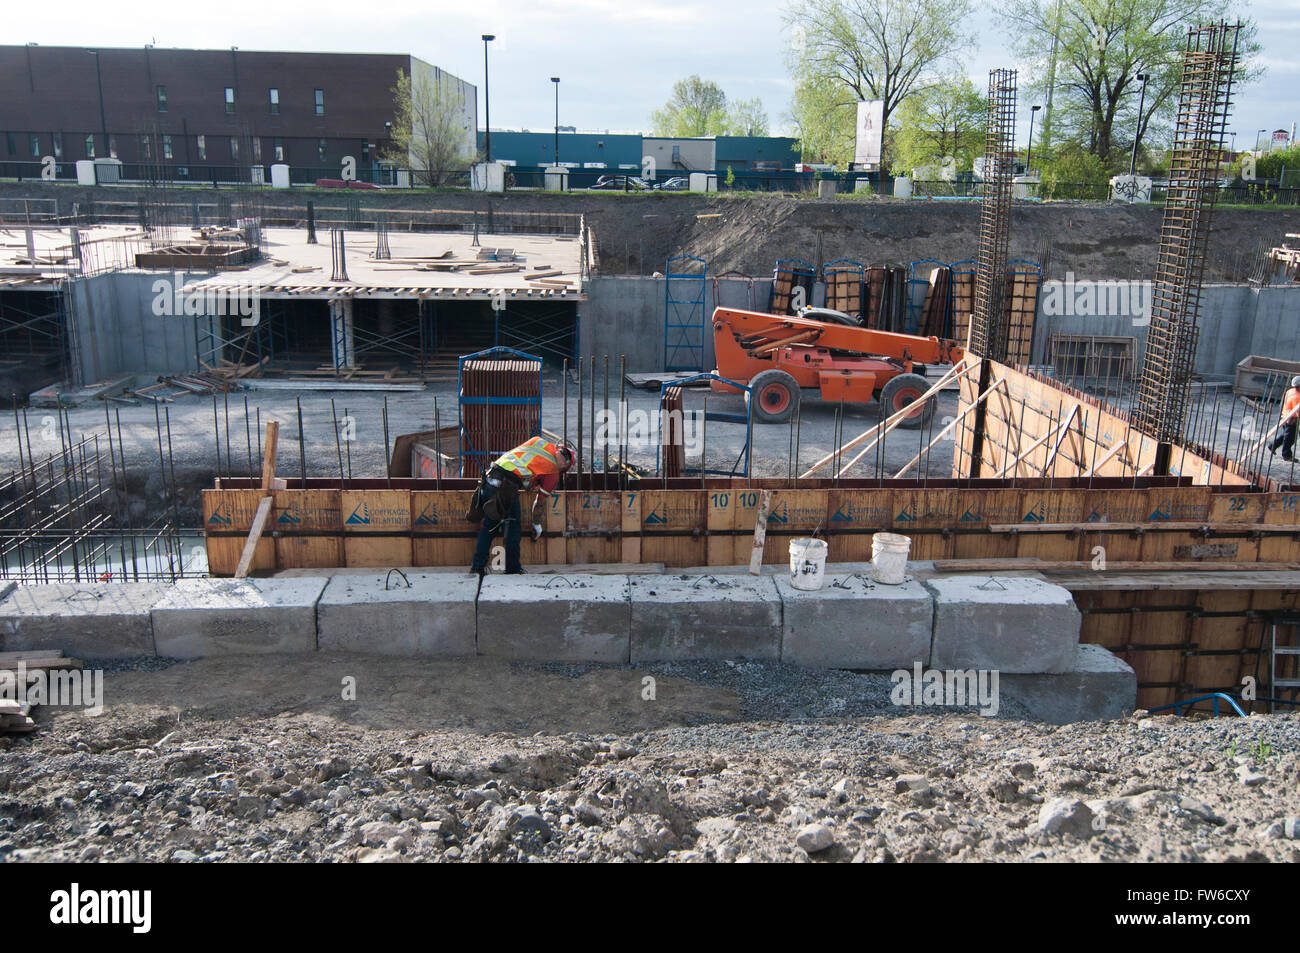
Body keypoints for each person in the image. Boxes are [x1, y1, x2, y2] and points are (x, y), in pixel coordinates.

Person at [469, 437, 574, 574]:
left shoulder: (538, 442)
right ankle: (512, 569)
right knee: (513, 527)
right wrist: (536, 525)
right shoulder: (552, 471)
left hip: (489, 476)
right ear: (564, 465)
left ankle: (477, 567)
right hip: (505, 486)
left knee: (489, 526)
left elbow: (524, 466)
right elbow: (540, 503)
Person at [1268, 375, 1300, 463]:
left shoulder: (1290, 391)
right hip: (1291, 419)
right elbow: (1298, 413)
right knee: (1290, 439)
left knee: (1285, 435)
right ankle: (1287, 455)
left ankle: (1272, 446)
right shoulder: (1297, 397)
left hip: (1285, 416)